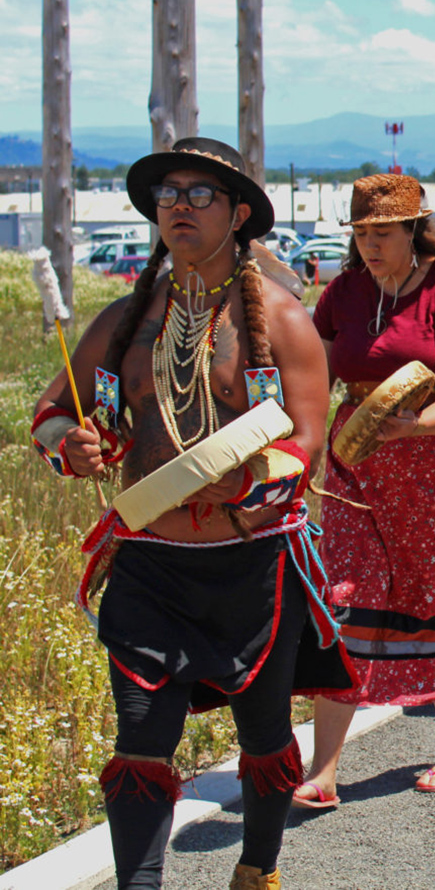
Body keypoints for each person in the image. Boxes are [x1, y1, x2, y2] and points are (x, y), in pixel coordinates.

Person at [30, 137, 349, 890]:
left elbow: (308, 445)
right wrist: (71, 444)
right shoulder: (123, 320)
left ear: (238, 215)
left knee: (264, 735)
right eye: (167, 193)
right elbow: (51, 413)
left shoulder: (284, 320)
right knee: (141, 740)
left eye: (200, 193)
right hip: (149, 566)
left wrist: (236, 484)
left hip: (255, 568)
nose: (179, 205)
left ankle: (257, 870)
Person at [296, 174, 435, 808]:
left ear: (413, 231)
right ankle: (324, 769)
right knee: (345, 593)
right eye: (361, 233)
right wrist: (298, 446)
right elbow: (315, 376)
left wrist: (413, 426)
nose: (370, 245)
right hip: (359, 462)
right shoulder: (344, 292)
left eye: (383, 233)